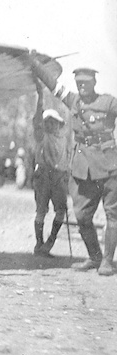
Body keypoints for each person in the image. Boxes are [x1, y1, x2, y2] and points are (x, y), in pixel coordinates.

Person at [61, 67, 117, 275]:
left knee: (113, 214)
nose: (81, 86)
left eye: (85, 82)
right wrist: (33, 63)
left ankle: (107, 261)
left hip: (109, 164)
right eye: (78, 83)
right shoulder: (73, 101)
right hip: (84, 168)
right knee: (82, 215)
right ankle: (95, 256)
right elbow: (53, 85)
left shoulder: (108, 102)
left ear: (94, 82)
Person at [29, 75, 73, 256]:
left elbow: (72, 113)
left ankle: (50, 242)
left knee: (61, 211)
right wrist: (41, 96)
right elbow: (37, 119)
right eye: (47, 122)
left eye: (54, 122)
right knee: (41, 210)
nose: (50, 124)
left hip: (60, 176)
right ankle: (39, 244)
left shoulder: (63, 138)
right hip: (44, 175)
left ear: (58, 124)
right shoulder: (42, 137)